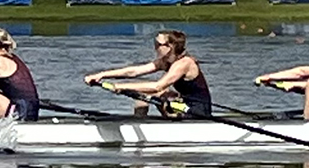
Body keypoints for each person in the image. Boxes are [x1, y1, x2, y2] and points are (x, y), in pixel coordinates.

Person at [83, 29, 212, 119]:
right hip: (183, 104)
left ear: (170, 47)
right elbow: (133, 71)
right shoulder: (166, 62)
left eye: (158, 44)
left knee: (151, 92)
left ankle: (142, 125)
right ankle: (139, 122)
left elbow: (157, 86)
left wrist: (121, 86)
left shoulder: (184, 63)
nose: (155, 48)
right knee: (144, 95)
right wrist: (100, 75)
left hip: (197, 111)